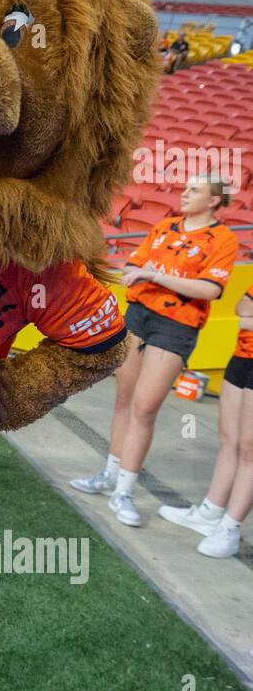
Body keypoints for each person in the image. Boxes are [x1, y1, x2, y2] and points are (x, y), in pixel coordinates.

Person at [71, 177, 238, 526]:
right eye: (187, 188)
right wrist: (142, 273)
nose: (186, 194)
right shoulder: (164, 227)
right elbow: (133, 267)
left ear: (213, 201)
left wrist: (154, 276)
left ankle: (125, 491)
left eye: (195, 191)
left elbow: (208, 290)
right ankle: (110, 475)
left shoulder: (223, 239)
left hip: (175, 326)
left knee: (145, 408)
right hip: (138, 315)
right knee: (124, 400)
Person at [158, 287, 253, 559]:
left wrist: (248, 317)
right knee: (229, 440)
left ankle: (230, 529)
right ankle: (210, 512)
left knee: (249, 449)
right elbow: (241, 308)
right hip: (243, 354)